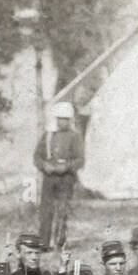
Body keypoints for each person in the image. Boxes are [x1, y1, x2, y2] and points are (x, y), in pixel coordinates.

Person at [33, 101, 84, 249]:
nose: (63, 122)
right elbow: (37, 156)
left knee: (62, 209)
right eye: (60, 118)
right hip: (49, 177)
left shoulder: (75, 137)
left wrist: (66, 167)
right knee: (46, 210)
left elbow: (80, 160)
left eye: (66, 119)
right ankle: (43, 243)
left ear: (70, 120)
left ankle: (59, 242)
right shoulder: (48, 136)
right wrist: (44, 165)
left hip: (66, 178)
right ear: (56, 119)